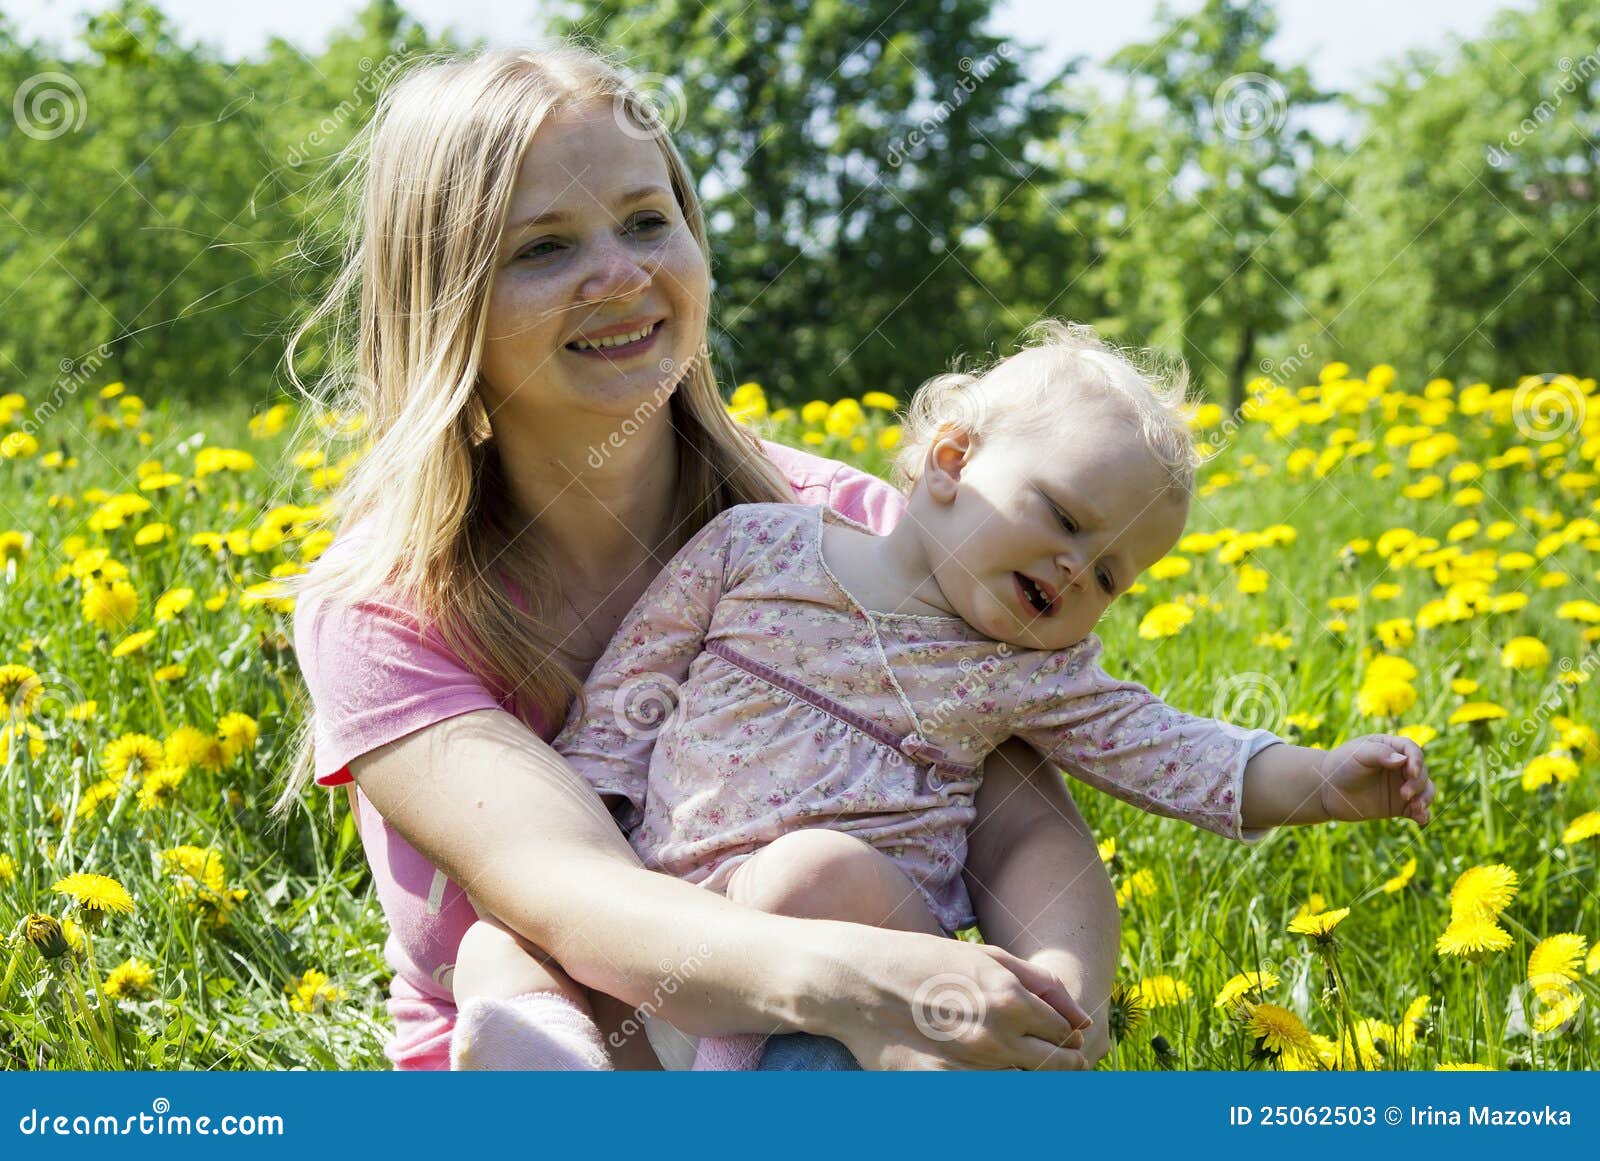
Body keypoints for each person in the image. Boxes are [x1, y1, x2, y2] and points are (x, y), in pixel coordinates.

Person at [283, 45, 1120, 1072]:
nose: (623, 274)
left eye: (647, 221)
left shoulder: (850, 535)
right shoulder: (386, 607)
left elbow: (1020, 832)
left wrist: (1062, 1016)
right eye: (543, 247)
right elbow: (571, 895)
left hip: (836, 1046)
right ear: (445, 299)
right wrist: (856, 978)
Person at [448, 321, 1436, 1071]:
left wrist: (1319, 781)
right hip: (674, 931)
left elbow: (1172, 749)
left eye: (1110, 577)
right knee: (503, 951)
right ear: (953, 462)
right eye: (1064, 519)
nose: (1076, 568)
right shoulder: (758, 545)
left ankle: (901, 1071)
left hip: (865, 959)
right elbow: (631, 692)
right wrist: (597, 839)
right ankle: (551, 1080)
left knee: (810, 870)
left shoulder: (1030, 672)